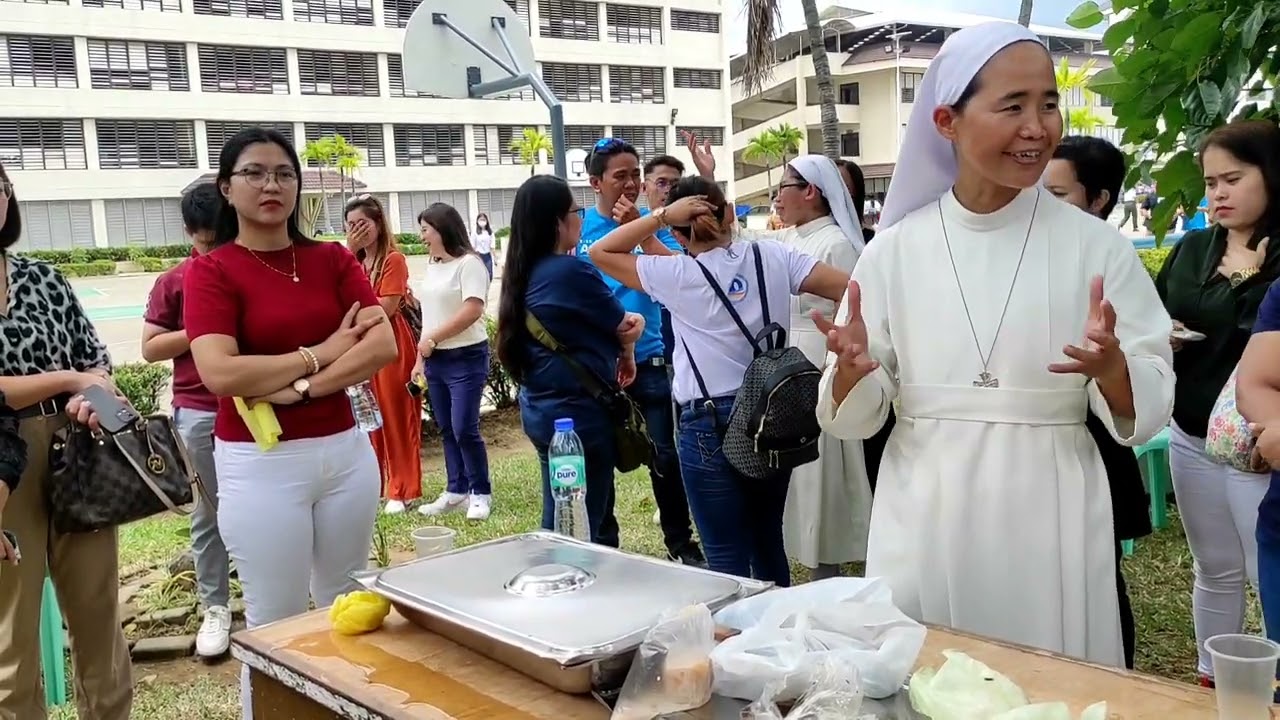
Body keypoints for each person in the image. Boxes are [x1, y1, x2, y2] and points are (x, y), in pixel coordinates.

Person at [814, 23, 1174, 666]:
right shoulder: (895, 250)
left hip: (1051, 501)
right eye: (1013, 106)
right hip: (925, 496)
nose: (1037, 126)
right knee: (929, 676)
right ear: (947, 120)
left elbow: (1145, 395)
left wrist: (1115, 369)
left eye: (1048, 103)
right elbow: (855, 411)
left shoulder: (1096, 246)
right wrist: (851, 371)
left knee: (1050, 675)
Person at [183, 127, 398, 719]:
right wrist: (325, 348)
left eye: (282, 172)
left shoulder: (330, 258)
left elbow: (381, 345)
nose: (270, 184)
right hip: (261, 465)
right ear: (227, 188)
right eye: (253, 173)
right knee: (277, 618)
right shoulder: (213, 271)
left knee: (347, 605)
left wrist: (301, 386)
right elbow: (220, 371)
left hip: (346, 455)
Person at [588, 177, 850, 586]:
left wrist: (655, 217)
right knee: (767, 542)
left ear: (676, 232)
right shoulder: (775, 256)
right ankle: (779, 638)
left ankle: (736, 643)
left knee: (725, 556)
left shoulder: (676, 274)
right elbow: (849, 288)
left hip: (709, 422)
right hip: (772, 414)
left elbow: (600, 251)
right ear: (730, 213)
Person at [0, 162, 134, 719]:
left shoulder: (43, 277)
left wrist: (92, 397)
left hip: (75, 448)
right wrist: (69, 381)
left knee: (98, 613)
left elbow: (96, 363)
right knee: (10, 631)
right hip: (3, 467)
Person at [1158, 119, 1280, 686]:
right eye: (1210, 183)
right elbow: (1157, 311)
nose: (1219, 194)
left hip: (1259, 440)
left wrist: (1245, 280)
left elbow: (1252, 336)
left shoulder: (1277, 256)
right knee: (1214, 565)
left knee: (1265, 566)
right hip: (1192, 428)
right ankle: (1212, 675)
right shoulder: (1194, 247)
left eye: (1233, 178)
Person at [1043, 134, 1155, 669]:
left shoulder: (1106, 261)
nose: (1041, 204)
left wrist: (1114, 366)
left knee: (1097, 575)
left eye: (1058, 193)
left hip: (1093, 438)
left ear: (1100, 200)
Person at [496, 174, 644, 547]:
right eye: (575, 210)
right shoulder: (570, 271)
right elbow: (623, 323)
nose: (580, 218)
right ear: (557, 221)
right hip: (579, 418)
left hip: (542, 411)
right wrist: (631, 343)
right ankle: (572, 592)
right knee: (579, 525)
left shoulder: (519, 272)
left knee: (564, 510)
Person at [577, 139, 704, 566]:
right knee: (598, 458)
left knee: (665, 455)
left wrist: (643, 226)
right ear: (596, 182)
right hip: (597, 368)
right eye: (620, 176)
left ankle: (681, 544)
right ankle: (604, 548)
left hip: (650, 361)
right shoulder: (579, 231)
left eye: (636, 174)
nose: (631, 183)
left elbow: (685, 275)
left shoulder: (658, 225)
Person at [762, 155, 872, 582]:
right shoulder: (788, 239)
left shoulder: (835, 243)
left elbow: (848, 311)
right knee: (797, 474)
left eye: (784, 186)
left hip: (819, 359)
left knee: (821, 470)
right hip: (788, 359)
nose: (777, 196)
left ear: (810, 191)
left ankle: (826, 566)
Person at [140, 181, 233, 658]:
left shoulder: (251, 270)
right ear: (188, 233)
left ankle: (272, 597)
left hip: (259, 403)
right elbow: (151, 346)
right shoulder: (175, 281)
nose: (211, 248)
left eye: (218, 237)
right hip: (198, 409)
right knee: (209, 512)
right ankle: (216, 605)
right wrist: (200, 326)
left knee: (270, 501)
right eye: (203, 240)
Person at [344, 194, 423, 515]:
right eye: (350, 225)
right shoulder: (351, 261)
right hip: (360, 348)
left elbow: (385, 308)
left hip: (392, 345)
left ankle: (402, 488)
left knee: (396, 415)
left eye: (362, 223)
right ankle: (375, 485)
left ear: (378, 223)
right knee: (367, 418)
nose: (356, 231)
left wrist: (354, 313)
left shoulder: (393, 260)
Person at [415, 203, 494, 521]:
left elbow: (473, 309)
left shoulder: (470, 264)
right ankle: (456, 489)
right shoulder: (433, 266)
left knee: (464, 427)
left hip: (466, 356)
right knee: (447, 427)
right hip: (436, 360)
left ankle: (481, 492)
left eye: (425, 230)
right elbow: (429, 316)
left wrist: (434, 339)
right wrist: (421, 357)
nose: (421, 237)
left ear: (442, 229)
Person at [472, 213, 496, 280]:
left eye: (484, 219)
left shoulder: (490, 232)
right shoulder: (475, 232)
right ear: (477, 221)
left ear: (486, 221)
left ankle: (488, 287)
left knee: (489, 273)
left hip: (487, 255)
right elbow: (473, 245)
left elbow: (492, 245)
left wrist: (495, 257)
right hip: (478, 254)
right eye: (480, 219)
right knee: (480, 274)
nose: (482, 221)